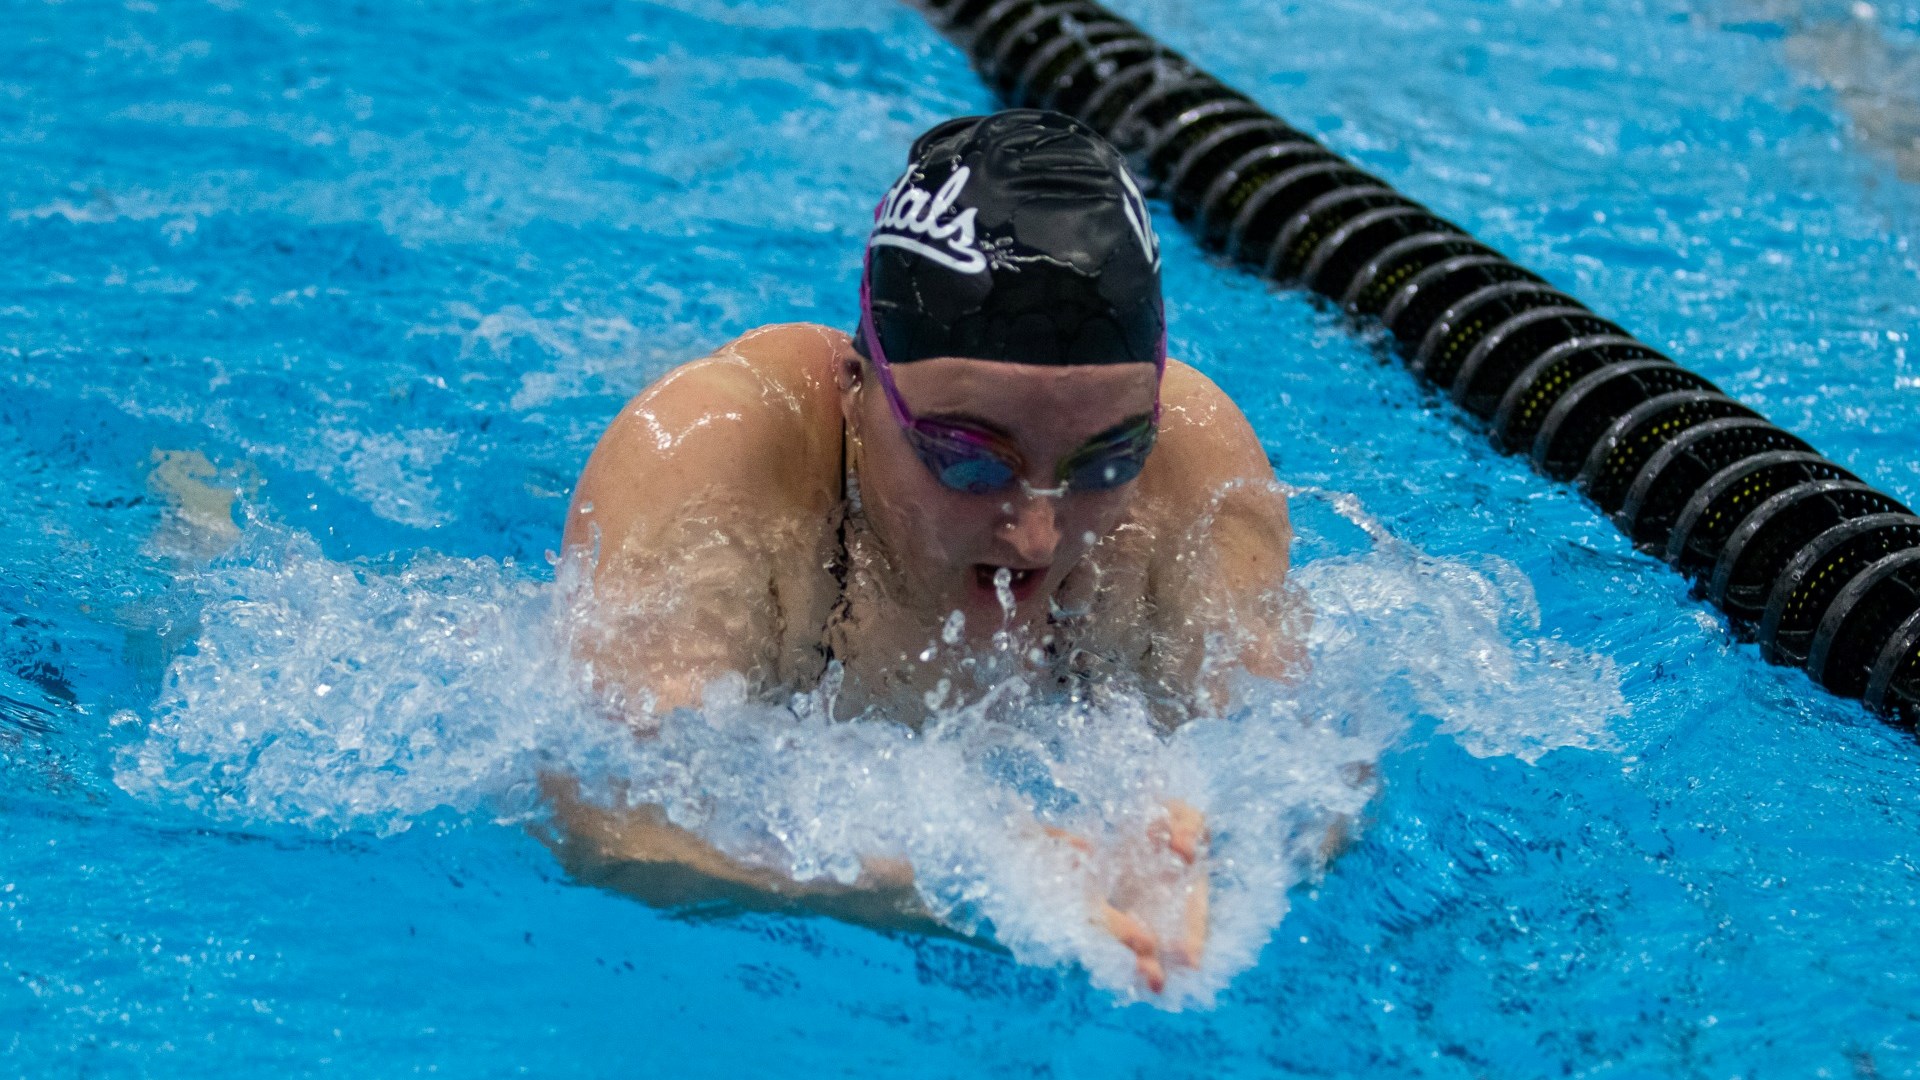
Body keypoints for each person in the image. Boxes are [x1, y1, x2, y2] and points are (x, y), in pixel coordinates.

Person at [543, 110, 1298, 993]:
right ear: (858, 391)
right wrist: (928, 881)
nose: (1036, 533)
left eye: (1105, 460)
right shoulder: (717, 461)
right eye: (972, 459)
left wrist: (1226, 840)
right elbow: (606, 811)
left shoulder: (1194, 465)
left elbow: (1313, 760)